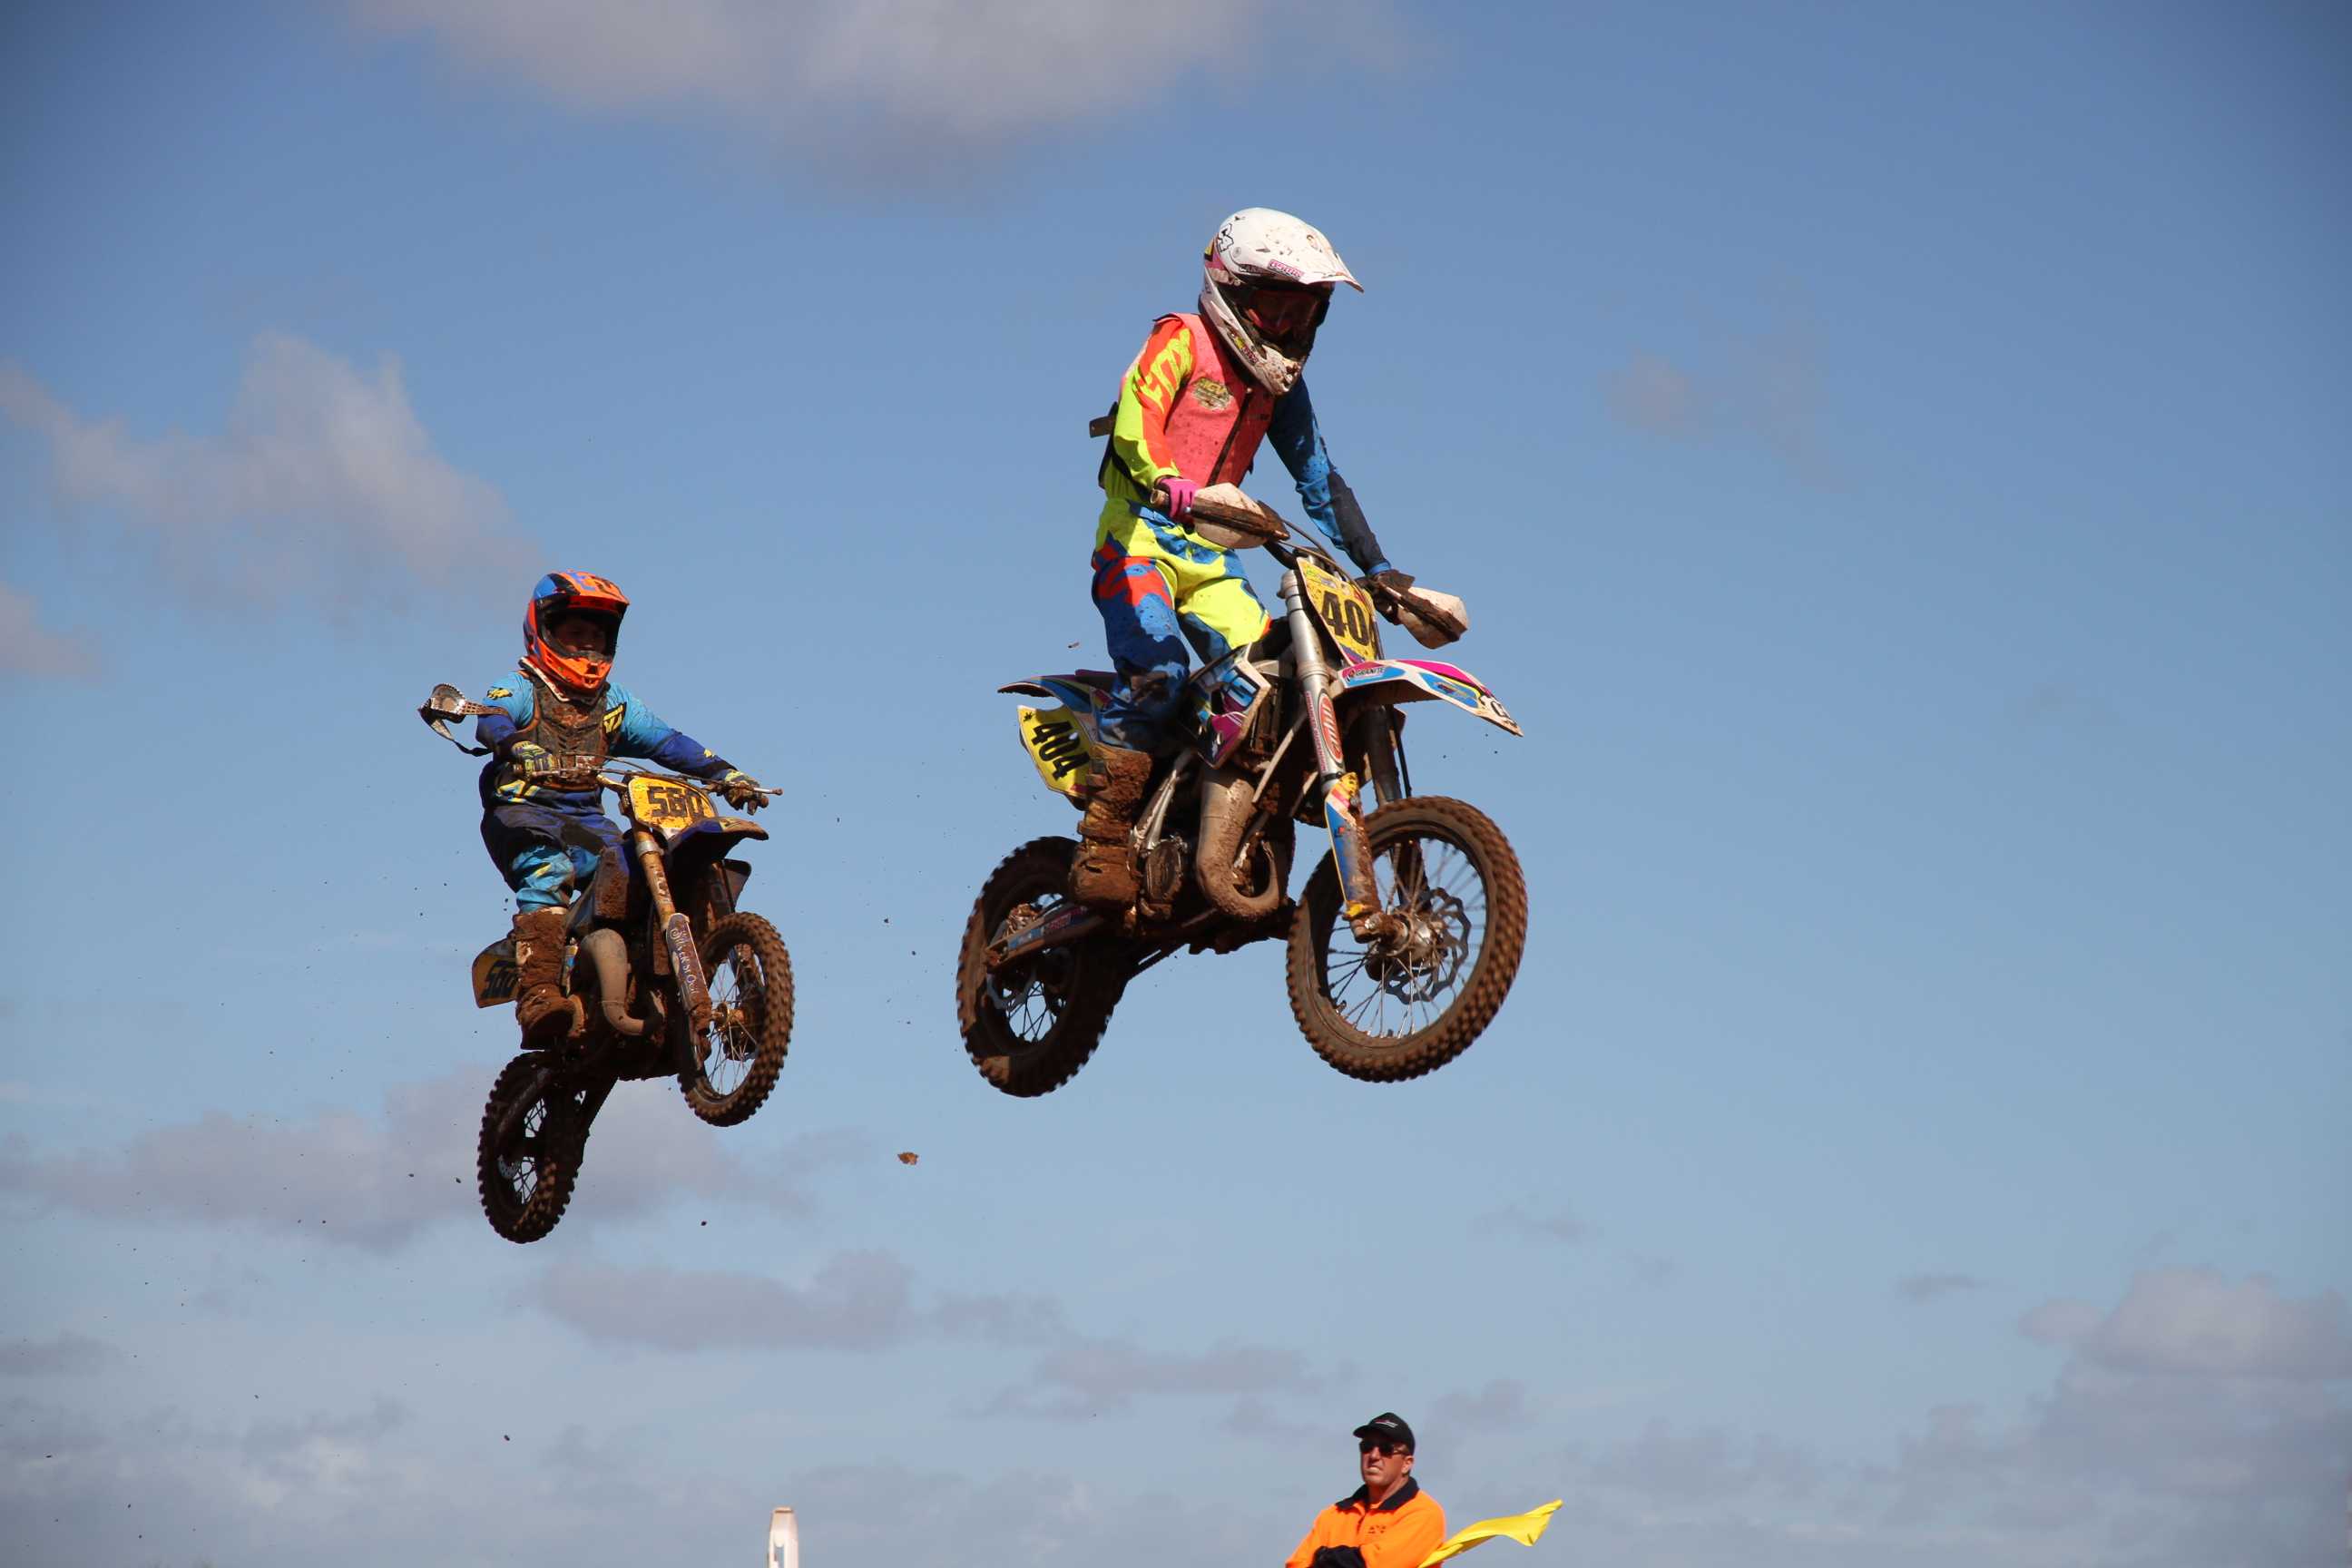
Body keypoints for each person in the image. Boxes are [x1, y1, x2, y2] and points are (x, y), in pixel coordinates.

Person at [1075, 207, 1410, 907]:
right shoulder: (1183, 339)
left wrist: (1379, 569)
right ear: (1231, 290)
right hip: (1139, 536)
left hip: (1214, 549)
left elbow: (1319, 479)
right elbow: (1137, 414)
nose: (1286, 326)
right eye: (1274, 307)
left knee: (1269, 685)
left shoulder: (1279, 387)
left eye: (1302, 312)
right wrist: (1167, 481)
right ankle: (1103, 837)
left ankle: (1234, 837)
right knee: (1160, 673)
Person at [472, 571, 767, 1044]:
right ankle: (539, 995)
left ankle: (642, 984)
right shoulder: (523, 686)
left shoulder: (613, 703)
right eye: (575, 633)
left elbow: (667, 742)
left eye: (596, 636)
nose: (587, 646)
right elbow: (492, 719)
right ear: (544, 631)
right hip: (523, 811)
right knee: (548, 871)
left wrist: (726, 774)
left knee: (632, 875)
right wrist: (516, 746)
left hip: (586, 819)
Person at [1285, 1412, 1447, 1568]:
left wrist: (1323, 1557)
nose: (1374, 1456)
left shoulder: (1423, 1513)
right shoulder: (1333, 1515)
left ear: (1407, 1463)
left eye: (1386, 1449)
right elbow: (1297, 1564)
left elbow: (1379, 1564)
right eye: (1367, 1446)